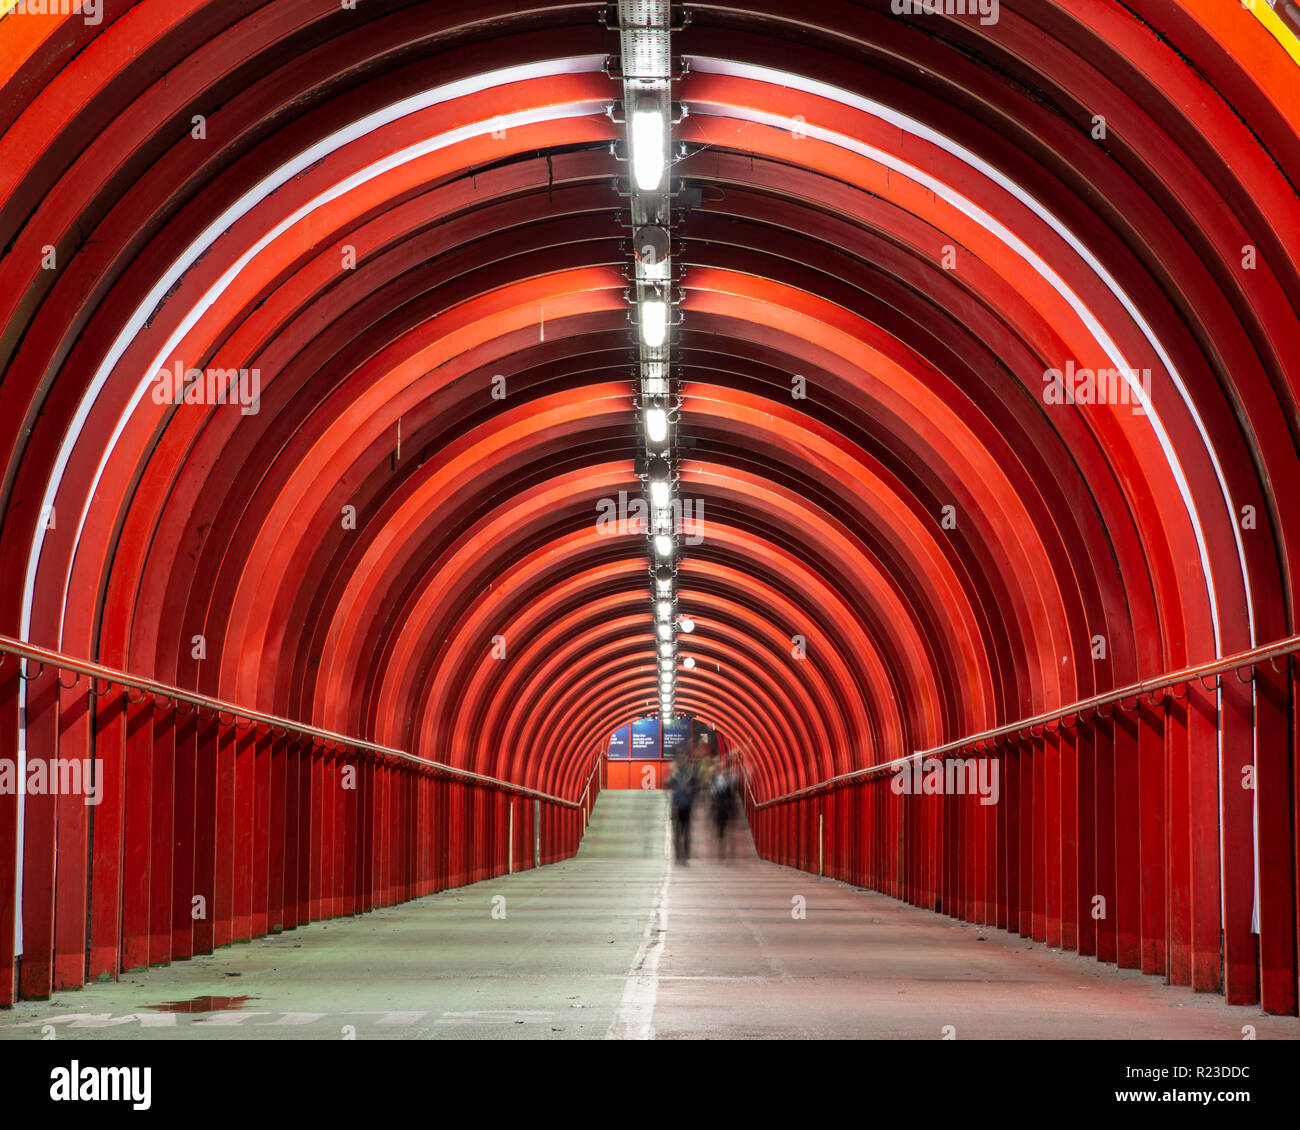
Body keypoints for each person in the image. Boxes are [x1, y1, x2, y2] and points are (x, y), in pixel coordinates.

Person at [664, 750, 698, 864]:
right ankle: (678, 855)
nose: (682, 762)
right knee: (677, 832)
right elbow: (666, 784)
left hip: (687, 806)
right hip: (677, 806)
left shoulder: (690, 776)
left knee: (686, 832)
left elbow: (696, 788)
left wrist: (691, 794)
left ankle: (685, 855)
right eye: (680, 760)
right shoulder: (674, 775)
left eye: (684, 759)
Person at [710, 753, 738, 860]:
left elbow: (713, 794)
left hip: (721, 808)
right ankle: (725, 850)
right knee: (724, 830)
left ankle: (723, 850)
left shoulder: (719, 780)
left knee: (723, 830)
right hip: (723, 808)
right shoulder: (723, 780)